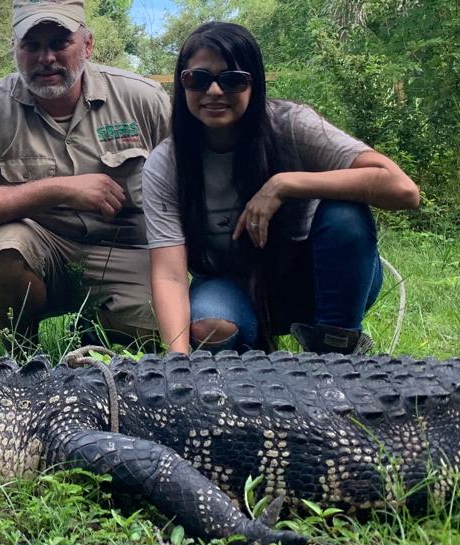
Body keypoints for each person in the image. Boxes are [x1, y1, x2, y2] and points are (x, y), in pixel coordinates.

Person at [142, 22, 419, 355]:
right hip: (230, 284)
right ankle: (250, 358)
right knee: (210, 326)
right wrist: (177, 361)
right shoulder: (166, 163)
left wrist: (285, 184)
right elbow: (170, 276)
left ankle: (337, 355)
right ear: (182, 84)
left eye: (232, 79)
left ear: (254, 84)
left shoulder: (292, 125)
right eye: (197, 79)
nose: (214, 91)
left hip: (315, 279)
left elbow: (403, 190)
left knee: (345, 212)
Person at [0, 0, 171, 356]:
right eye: (31, 45)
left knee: (167, 333)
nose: (46, 58)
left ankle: (97, 330)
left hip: (126, 250)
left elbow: (190, 187)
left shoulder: (143, 99)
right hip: (43, 248)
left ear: (87, 45)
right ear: (15, 49)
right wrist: (59, 189)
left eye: (60, 44)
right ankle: (24, 363)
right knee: (5, 248)